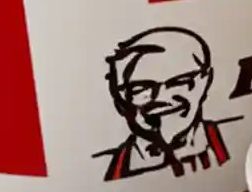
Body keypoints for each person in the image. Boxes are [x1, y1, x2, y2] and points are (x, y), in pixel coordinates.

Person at [92, 27, 242, 181]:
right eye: (140, 89)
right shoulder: (92, 174)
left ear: (205, 82)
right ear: (118, 100)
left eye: (181, 81)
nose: (162, 99)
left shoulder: (246, 140)